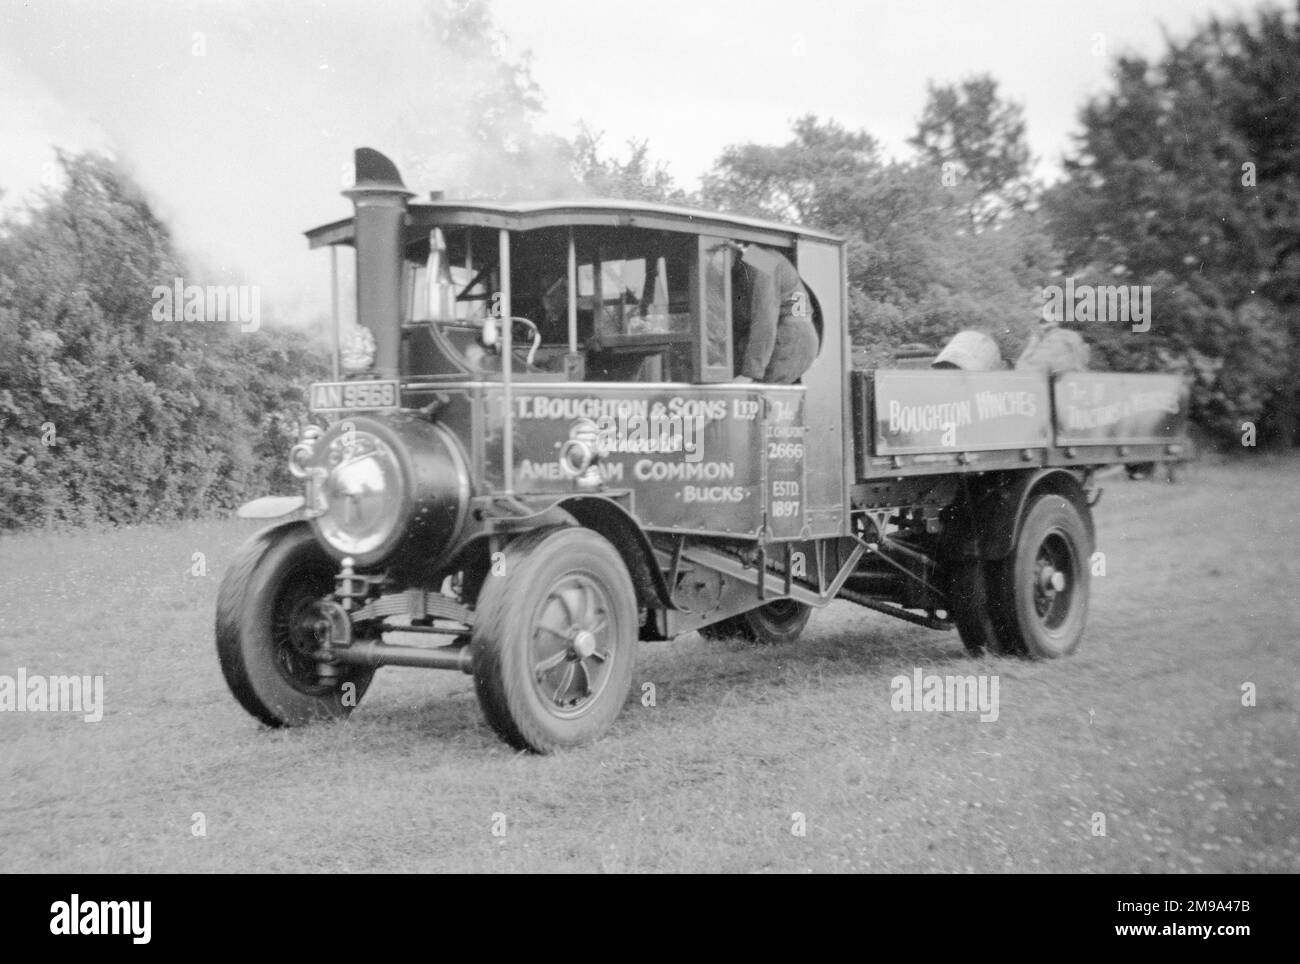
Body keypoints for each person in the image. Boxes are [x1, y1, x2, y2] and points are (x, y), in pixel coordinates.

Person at [729, 243, 819, 384]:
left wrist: (750, 373)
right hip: (782, 335)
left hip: (790, 336)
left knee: (757, 399)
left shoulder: (760, 258)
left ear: (731, 247)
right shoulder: (740, 269)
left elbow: (765, 319)